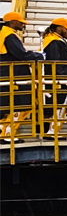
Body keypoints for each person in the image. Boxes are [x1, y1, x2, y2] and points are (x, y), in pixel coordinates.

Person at [0, 12, 40, 144]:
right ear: (12, 22)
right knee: (21, 105)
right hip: (15, 75)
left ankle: (4, 130)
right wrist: (39, 56)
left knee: (11, 106)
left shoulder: (4, 33)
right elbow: (21, 54)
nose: (23, 24)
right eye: (21, 22)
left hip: (8, 74)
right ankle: (7, 134)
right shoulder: (9, 35)